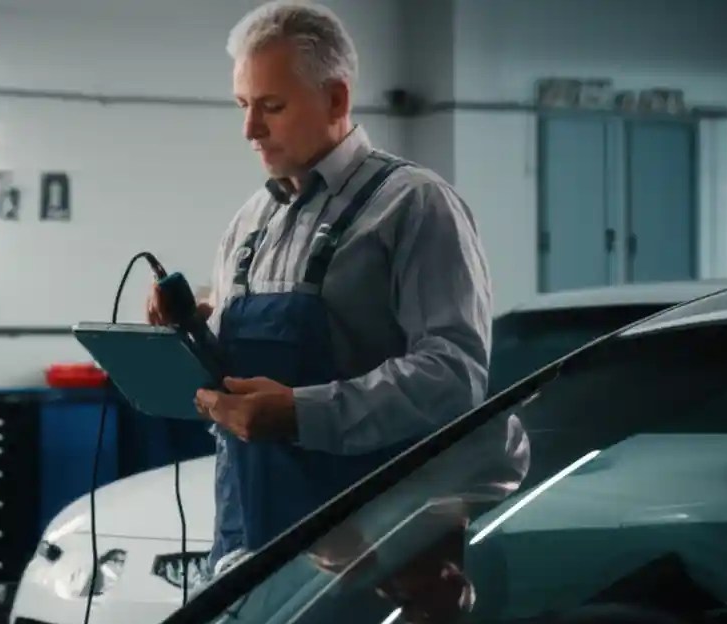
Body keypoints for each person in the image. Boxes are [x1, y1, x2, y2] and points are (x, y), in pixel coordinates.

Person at [147, 1, 493, 579]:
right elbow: (233, 384)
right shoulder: (249, 222)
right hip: (243, 547)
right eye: (243, 106)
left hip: (373, 558)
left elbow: (454, 378)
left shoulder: (413, 206)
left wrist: (301, 414)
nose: (249, 129)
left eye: (271, 107)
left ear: (336, 99)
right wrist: (189, 340)